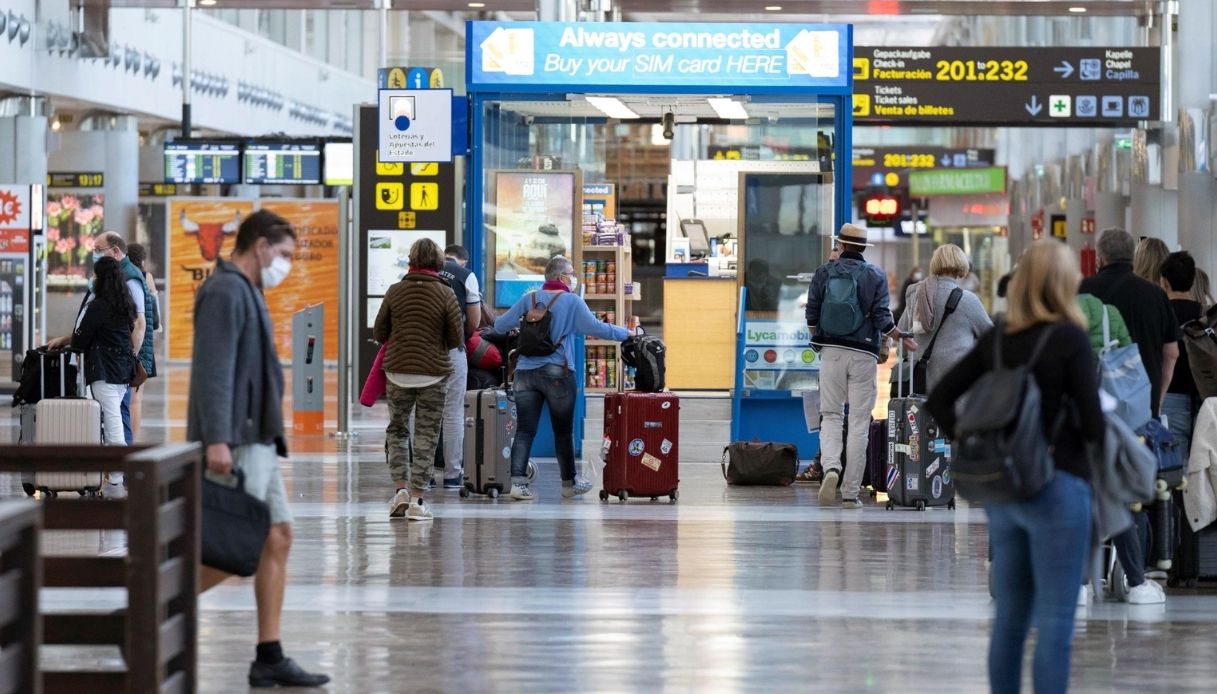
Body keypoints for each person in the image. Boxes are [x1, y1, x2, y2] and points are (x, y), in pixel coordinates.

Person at [925, 240, 1103, 694]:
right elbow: (1093, 423)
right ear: (1065, 285)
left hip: (1006, 490)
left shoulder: (1002, 337)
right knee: (1056, 620)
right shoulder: (1069, 338)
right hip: (1059, 486)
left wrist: (973, 442)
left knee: (1009, 622)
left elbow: (941, 398)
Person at [188, 210, 329, 688]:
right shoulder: (226, 290)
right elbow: (213, 369)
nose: (285, 264)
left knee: (277, 536)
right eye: (284, 254)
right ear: (260, 245)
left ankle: (269, 654)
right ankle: (157, 602)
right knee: (235, 545)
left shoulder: (248, 290)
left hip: (259, 437)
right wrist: (218, 440)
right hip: (238, 439)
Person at [493, 255, 630, 500]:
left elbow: (501, 325)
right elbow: (598, 329)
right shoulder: (572, 301)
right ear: (562, 277)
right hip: (557, 372)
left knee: (524, 430)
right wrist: (628, 334)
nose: (574, 277)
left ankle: (517, 483)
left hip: (524, 372)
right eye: (571, 272)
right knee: (563, 432)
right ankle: (568, 484)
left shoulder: (529, 299)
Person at [805, 224, 916, 509]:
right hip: (863, 353)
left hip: (830, 351)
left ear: (840, 245)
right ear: (864, 248)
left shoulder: (823, 272)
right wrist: (897, 335)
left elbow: (812, 312)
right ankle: (850, 493)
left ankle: (830, 467)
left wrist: (818, 337)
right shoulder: (875, 275)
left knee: (830, 415)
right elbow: (881, 316)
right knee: (858, 422)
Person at [372, 238, 463, 520]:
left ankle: (399, 490)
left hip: (397, 371)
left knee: (398, 431)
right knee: (426, 435)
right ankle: (417, 500)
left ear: (411, 259)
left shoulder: (395, 291)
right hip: (433, 375)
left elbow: (379, 332)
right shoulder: (446, 294)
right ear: (438, 261)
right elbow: (455, 338)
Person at [47, 231, 152, 445]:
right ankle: (116, 471)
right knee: (115, 417)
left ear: (114, 251)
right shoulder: (121, 300)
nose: (94, 255)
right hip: (119, 367)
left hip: (109, 368)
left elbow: (139, 325)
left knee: (116, 420)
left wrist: (129, 357)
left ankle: (118, 474)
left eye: (98, 250)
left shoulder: (125, 282)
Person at [1080, 228, 1179, 420]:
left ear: (1100, 258)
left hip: (1092, 402)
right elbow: (1172, 353)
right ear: (1131, 256)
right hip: (1143, 404)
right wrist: (1157, 401)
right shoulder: (1156, 294)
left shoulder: (1082, 290)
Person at [895, 243, 992, 393]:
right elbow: (989, 335)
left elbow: (902, 333)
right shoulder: (968, 300)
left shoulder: (916, 295)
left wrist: (906, 356)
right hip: (955, 382)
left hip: (919, 380)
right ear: (962, 265)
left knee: (919, 415)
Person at [431, 244, 483, 490]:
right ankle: (452, 475)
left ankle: (423, 474)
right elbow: (474, 321)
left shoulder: (416, 274)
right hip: (452, 350)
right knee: (453, 413)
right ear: (462, 261)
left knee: (421, 412)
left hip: (420, 352)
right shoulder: (466, 276)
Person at [70, 257, 135, 450]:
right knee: (112, 423)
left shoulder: (98, 306)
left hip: (104, 372)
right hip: (123, 371)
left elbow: (79, 340)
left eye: (95, 275)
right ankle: (115, 476)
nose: (93, 278)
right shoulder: (125, 304)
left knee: (113, 428)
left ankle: (119, 477)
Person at [1160, 251, 1202, 462]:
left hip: (1170, 397)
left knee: (1172, 470)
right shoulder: (1205, 314)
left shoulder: (1162, 313)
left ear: (1164, 282)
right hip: (1203, 400)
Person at [125, 243, 160, 442]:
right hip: (145, 345)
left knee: (126, 397)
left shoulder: (125, 278)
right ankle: (133, 440)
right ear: (143, 259)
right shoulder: (147, 278)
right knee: (136, 399)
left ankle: (125, 438)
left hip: (128, 341)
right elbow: (155, 319)